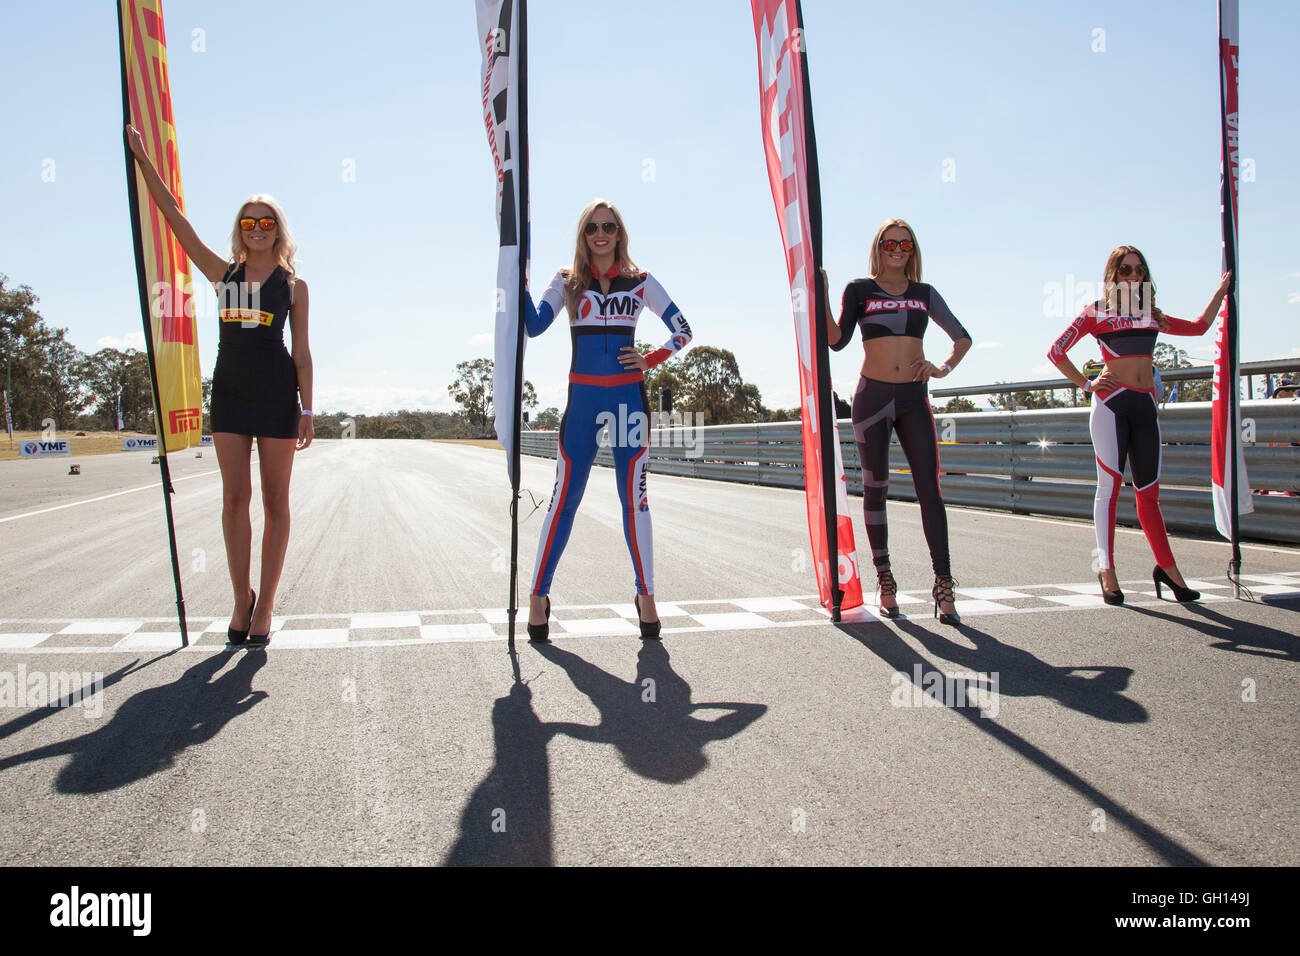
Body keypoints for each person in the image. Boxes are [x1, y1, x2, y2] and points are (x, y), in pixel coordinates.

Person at [126, 125, 314, 647]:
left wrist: (308, 409)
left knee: (276, 502)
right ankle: (240, 598)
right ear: (241, 229)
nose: (257, 228)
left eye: (267, 222)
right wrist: (143, 159)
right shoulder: (221, 274)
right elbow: (176, 223)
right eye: (249, 222)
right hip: (229, 394)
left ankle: (266, 606)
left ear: (278, 231)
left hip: (278, 397)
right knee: (235, 498)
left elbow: (301, 353)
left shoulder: (294, 286)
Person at [524, 199, 691, 642]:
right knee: (564, 500)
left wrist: (651, 358)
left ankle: (647, 595)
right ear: (583, 234)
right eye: (593, 227)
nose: (601, 234)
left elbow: (684, 330)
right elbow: (534, 326)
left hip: (628, 403)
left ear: (620, 234)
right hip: (581, 404)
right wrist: (517, 277)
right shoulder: (566, 281)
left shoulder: (640, 281)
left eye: (609, 227)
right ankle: (538, 597)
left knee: (634, 501)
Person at [1047, 245, 1230, 604]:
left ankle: (1168, 570)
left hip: (1145, 407)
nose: (1133, 276)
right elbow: (1056, 351)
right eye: (1126, 270)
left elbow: (1199, 327)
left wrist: (1221, 291)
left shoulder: (1152, 315)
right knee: (1109, 489)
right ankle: (1107, 571)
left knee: (1149, 495)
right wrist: (1087, 385)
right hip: (1110, 407)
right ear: (1112, 275)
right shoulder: (1095, 313)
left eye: (1139, 270)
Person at [823, 218, 972, 624]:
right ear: (879, 246)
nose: (897, 250)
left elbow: (962, 337)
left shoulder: (924, 294)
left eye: (906, 246)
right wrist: (820, 295)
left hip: (913, 398)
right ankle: (884, 577)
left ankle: (943, 582)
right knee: (877, 487)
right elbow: (837, 341)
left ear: (913, 252)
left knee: (930, 489)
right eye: (891, 243)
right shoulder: (859, 290)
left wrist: (942, 367)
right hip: (871, 398)